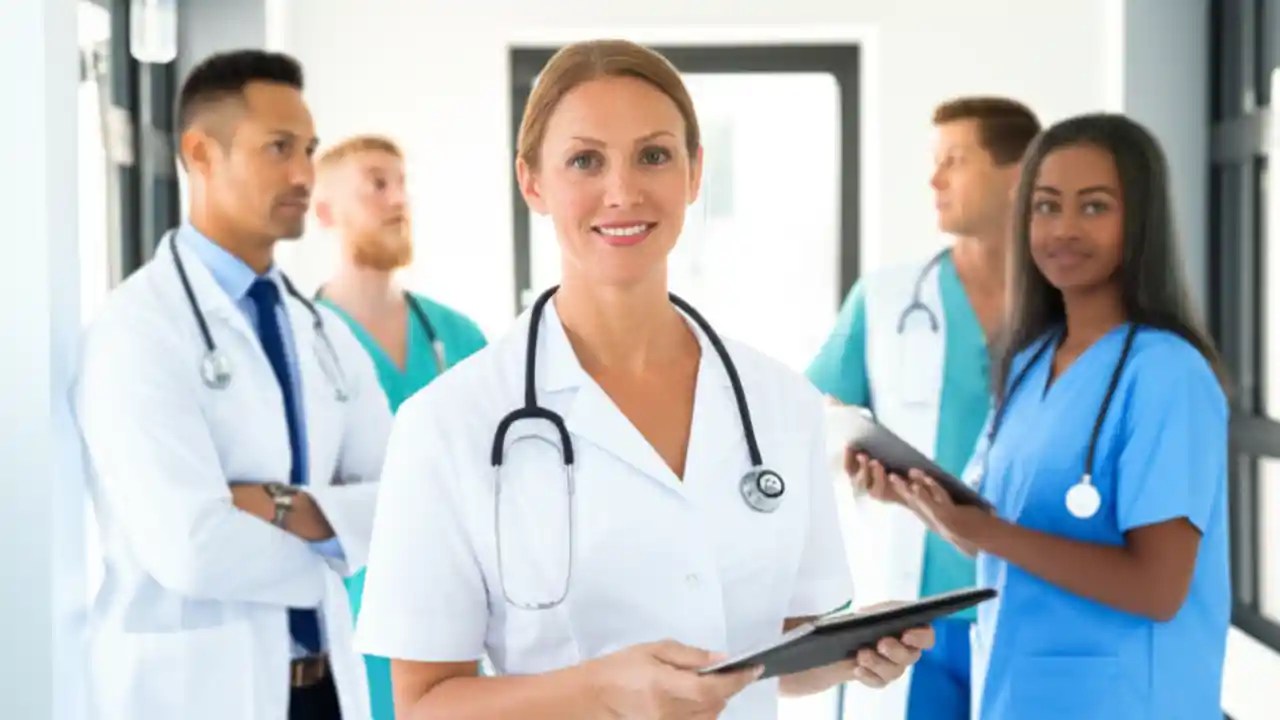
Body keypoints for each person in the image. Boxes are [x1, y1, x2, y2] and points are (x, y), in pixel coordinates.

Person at [353, 39, 934, 720]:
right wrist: (599, 690)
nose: (623, 191)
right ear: (532, 181)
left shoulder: (780, 402)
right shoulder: (448, 422)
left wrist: (848, 653)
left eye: (654, 155)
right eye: (584, 160)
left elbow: (763, 662)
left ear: (694, 174)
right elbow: (422, 704)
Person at [72, 50, 391, 720]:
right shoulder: (138, 329)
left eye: (308, 148)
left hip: (327, 688)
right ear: (201, 153)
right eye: (279, 147)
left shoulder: (322, 334)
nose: (305, 173)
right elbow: (193, 549)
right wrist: (336, 546)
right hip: (194, 695)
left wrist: (274, 506)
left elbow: (401, 504)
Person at [881, 113, 1231, 719]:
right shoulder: (1028, 363)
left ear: (1140, 220)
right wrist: (913, 497)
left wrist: (990, 534)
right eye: (1046, 207)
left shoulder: (1168, 374)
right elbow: (1006, 527)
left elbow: (1158, 587)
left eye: (1094, 207)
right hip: (1017, 694)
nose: (1063, 229)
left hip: (1129, 703)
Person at [806, 97, 1039, 720]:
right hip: (916, 615)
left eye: (954, 162)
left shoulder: (1074, 309)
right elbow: (808, 415)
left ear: (1018, 173)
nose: (933, 181)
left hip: (1032, 609)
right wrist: (849, 456)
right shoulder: (884, 298)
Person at [311, 133, 488, 719]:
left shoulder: (458, 338)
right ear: (325, 210)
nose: (398, 199)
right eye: (377, 183)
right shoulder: (300, 344)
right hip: (342, 629)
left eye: (402, 183)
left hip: (454, 628)